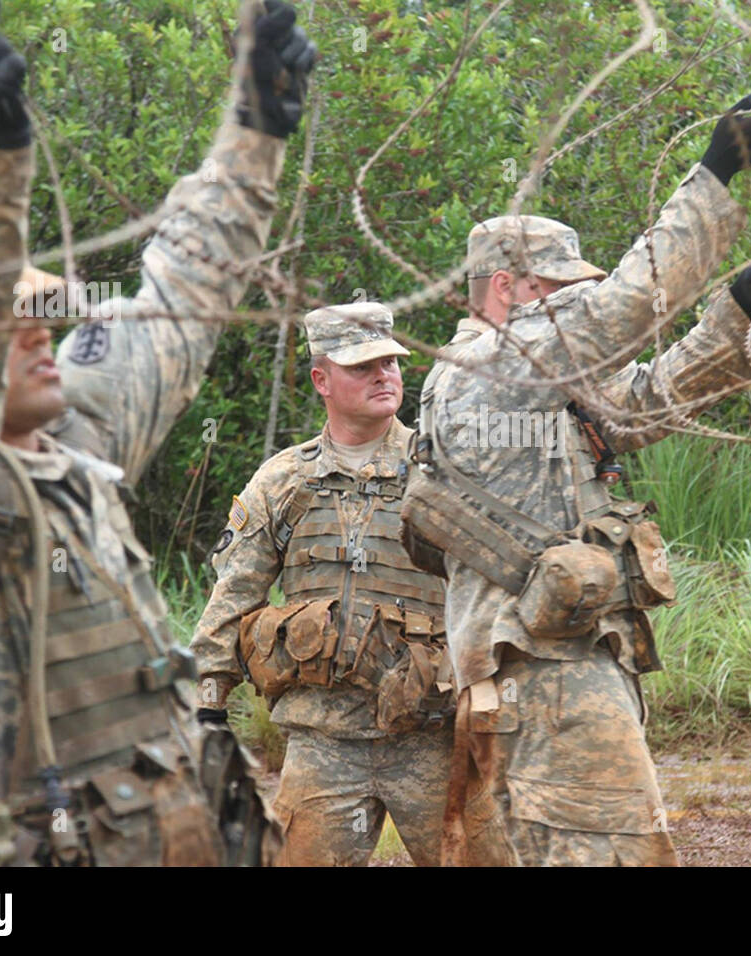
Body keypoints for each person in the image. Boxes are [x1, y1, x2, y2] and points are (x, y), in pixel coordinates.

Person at [0, 0, 316, 866]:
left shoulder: (74, 440)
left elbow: (190, 278)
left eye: (43, 313)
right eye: (11, 319)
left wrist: (256, 120)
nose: (43, 335)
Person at [402, 91, 751, 865]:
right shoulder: (493, 362)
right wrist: (716, 173)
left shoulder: (522, 375)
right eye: (561, 291)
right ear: (506, 288)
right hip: (544, 675)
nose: (578, 307)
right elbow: (629, 306)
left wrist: (739, 314)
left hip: (554, 666)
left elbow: (641, 406)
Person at [191, 303, 511, 866]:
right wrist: (206, 707)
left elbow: (498, 584)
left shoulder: (438, 471)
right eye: (363, 366)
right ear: (322, 379)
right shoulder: (285, 480)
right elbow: (235, 594)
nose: (383, 375)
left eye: (390, 362)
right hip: (323, 743)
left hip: (433, 738)